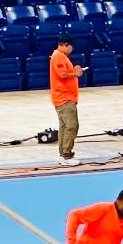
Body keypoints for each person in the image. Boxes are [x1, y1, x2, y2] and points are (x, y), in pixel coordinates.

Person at [49, 36, 84, 165]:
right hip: (64, 98)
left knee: (64, 127)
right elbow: (62, 75)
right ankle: (66, 155)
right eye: (71, 48)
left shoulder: (60, 56)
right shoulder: (58, 56)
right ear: (66, 45)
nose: (71, 50)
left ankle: (63, 154)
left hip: (65, 97)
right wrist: (75, 73)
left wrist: (74, 71)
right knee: (72, 126)